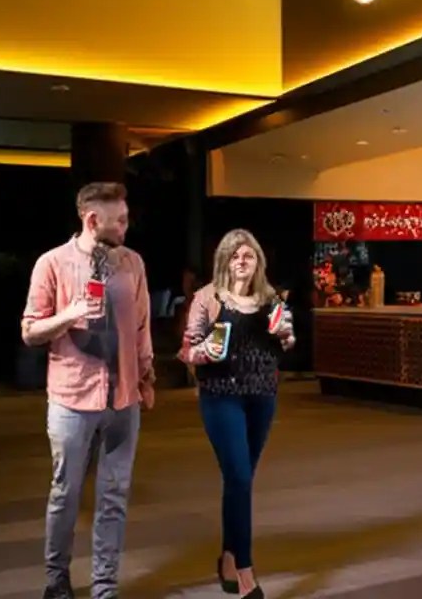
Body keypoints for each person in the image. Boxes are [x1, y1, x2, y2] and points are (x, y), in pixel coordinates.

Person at [22, 181, 155, 599]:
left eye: (127, 218)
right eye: (119, 221)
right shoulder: (53, 263)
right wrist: (72, 313)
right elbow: (30, 331)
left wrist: (147, 377)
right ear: (92, 220)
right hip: (72, 399)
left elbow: (141, 327)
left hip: (124, 400)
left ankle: (104, 588)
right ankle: (56, 581)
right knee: (66, 493)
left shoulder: (133, 263)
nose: (125, 227)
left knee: (114, 496)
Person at [180, 230, 294, 599]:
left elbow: (288, 343)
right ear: (224, 261)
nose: (242, 262)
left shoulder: (271, 298)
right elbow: (187, 350)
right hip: (221, 396)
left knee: (239, 481)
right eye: (235, 256)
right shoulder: (208, 298)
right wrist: (203, 352)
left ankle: (228, 557)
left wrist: (287, 335)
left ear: (259, 261)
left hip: (262, 396)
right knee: (240, 475)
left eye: (249, 256)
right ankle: (245, 569)